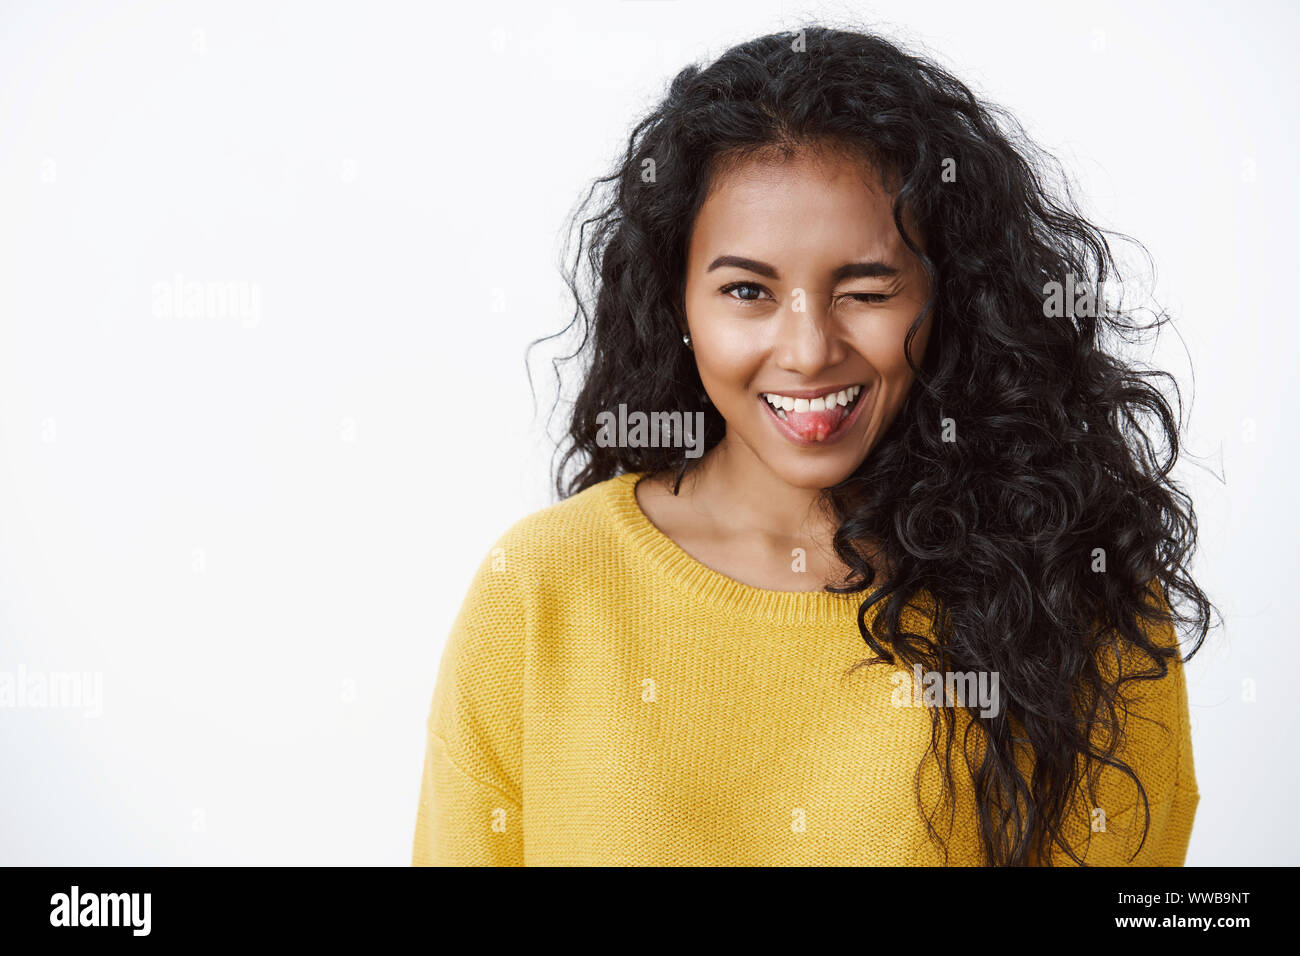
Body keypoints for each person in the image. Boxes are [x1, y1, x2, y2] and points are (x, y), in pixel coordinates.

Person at [411, 25, 1214, 866]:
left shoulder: (1068, 588)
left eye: (866, 289)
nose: (807, 349)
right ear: (675, 301)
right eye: (748, 290)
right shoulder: (540, 591)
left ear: (951, 301)